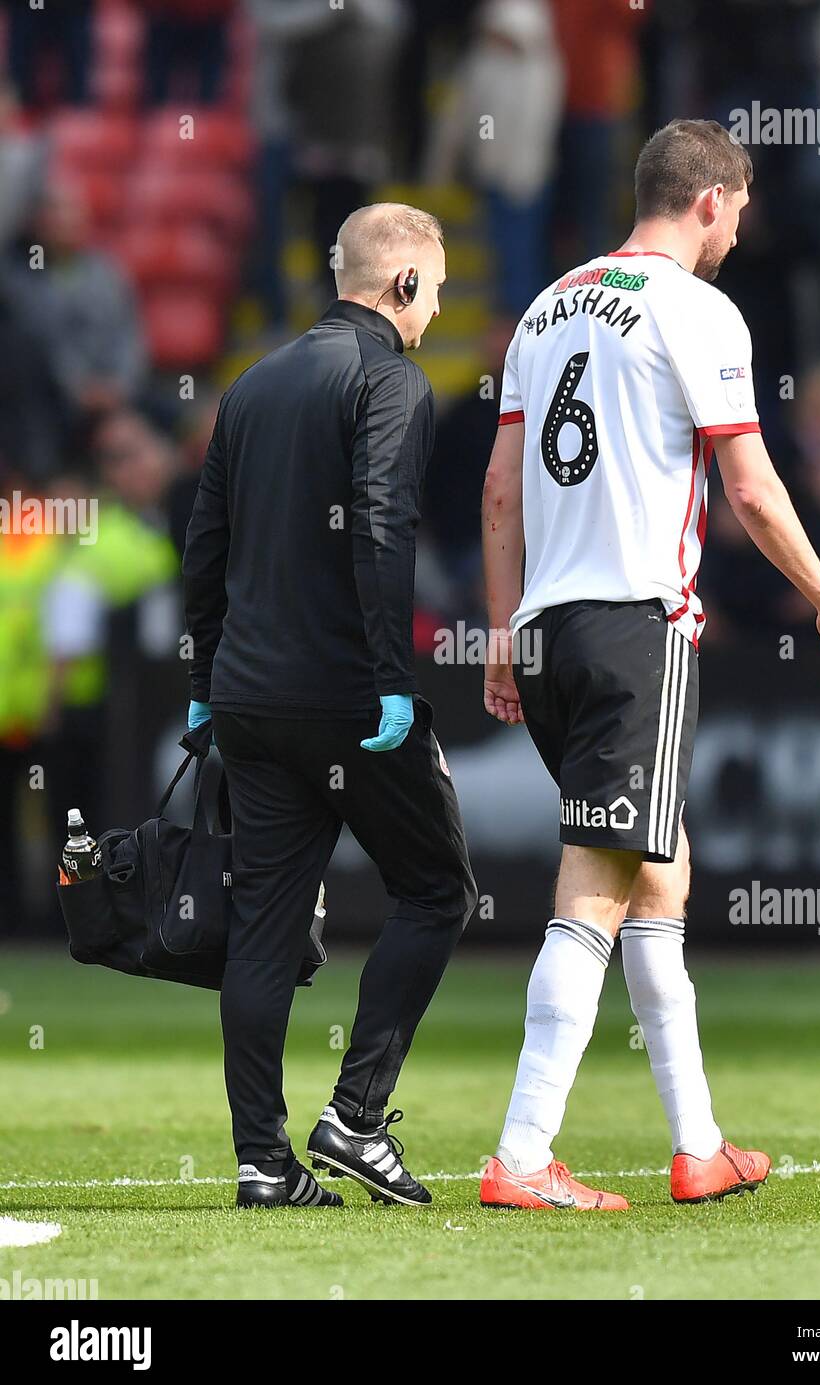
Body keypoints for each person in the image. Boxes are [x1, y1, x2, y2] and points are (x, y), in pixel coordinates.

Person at [479, 119, 820, 1211]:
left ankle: (697, 1144)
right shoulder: (696, 310)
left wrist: (502, 631)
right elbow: (748, 489)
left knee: (661, 869)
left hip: (552, 629)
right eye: (737, 212)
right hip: (633, 626)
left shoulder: (546, 304)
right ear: (706, 200)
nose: (738, 234)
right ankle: (519, 1154)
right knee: (596, 883)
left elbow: (500, 490)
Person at [182, 203, 476, 1211]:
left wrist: (198, 684)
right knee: (437, 888)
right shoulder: (389, 378)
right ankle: (354, 1119)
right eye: (431, 290)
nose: (434, 310)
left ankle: (262, 1163)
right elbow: (382, 522)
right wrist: (395, 675)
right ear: (400, 284)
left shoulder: (255, 381)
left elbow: (204, 541)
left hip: (249, 702)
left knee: (261, 932)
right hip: (347, 696)